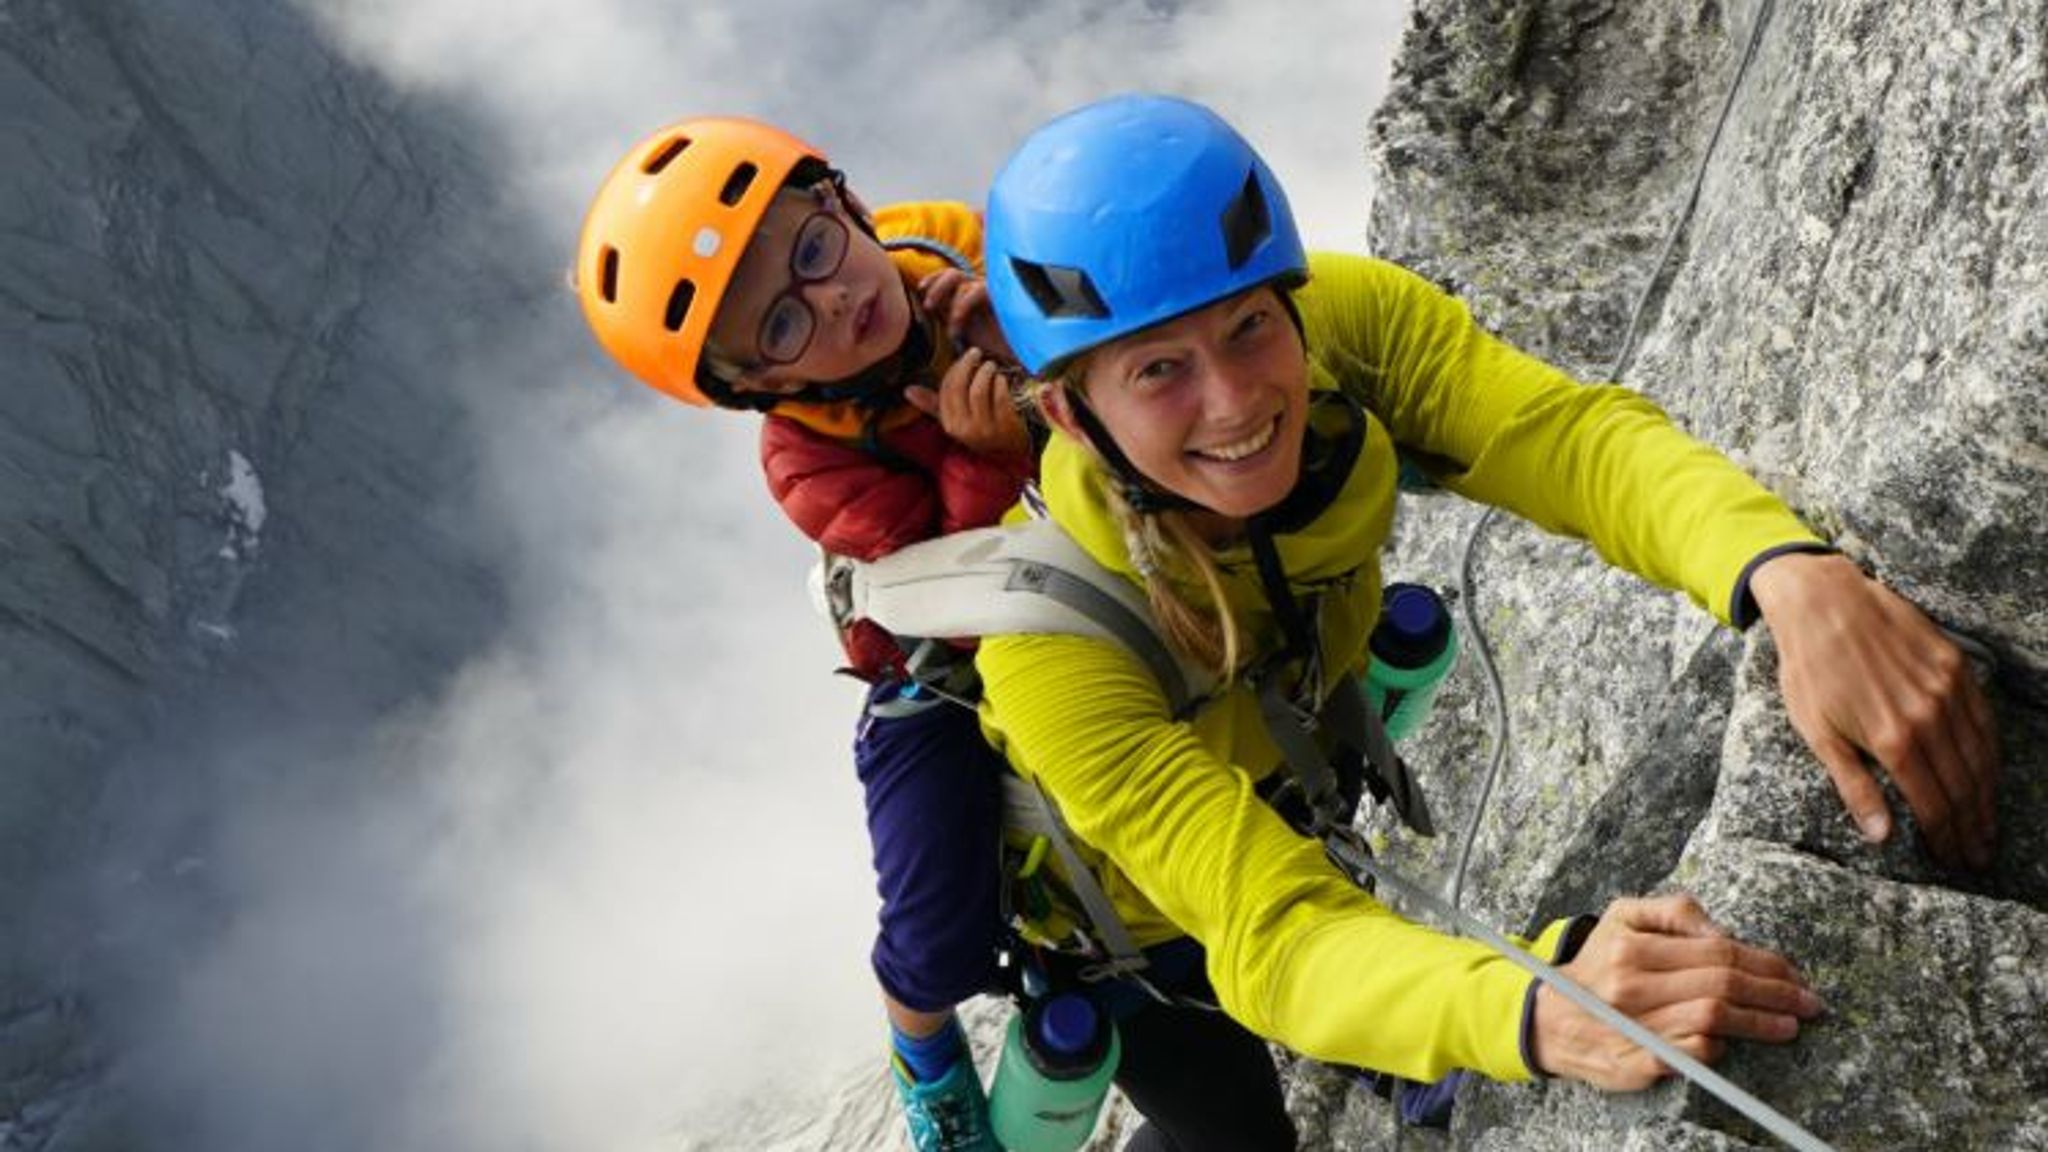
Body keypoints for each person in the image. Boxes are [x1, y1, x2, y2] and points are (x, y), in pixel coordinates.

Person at [971, 93, 2000, 1149]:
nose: (1233, 401)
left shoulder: (1344, 326)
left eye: (1246, 327)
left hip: (1288, 804)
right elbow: (1271, 935)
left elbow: (1562, 441)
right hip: (1127, 932)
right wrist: (1529, 1004)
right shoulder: (1047, 642)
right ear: (1068, 414)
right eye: (1158, 370)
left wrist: (1781, 570)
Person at [575, 117, 1030, 1151]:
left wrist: (1027, 331)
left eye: (813, 247)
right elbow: (934, 596)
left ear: (846, 202)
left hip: (1079, 545)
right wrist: (983, 458)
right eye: (780, 328)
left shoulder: (962, 250)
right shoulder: (804, 461)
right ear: (760, 391)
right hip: (933, 668)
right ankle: (922, 1044)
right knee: (937, 918)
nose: (829, 299)